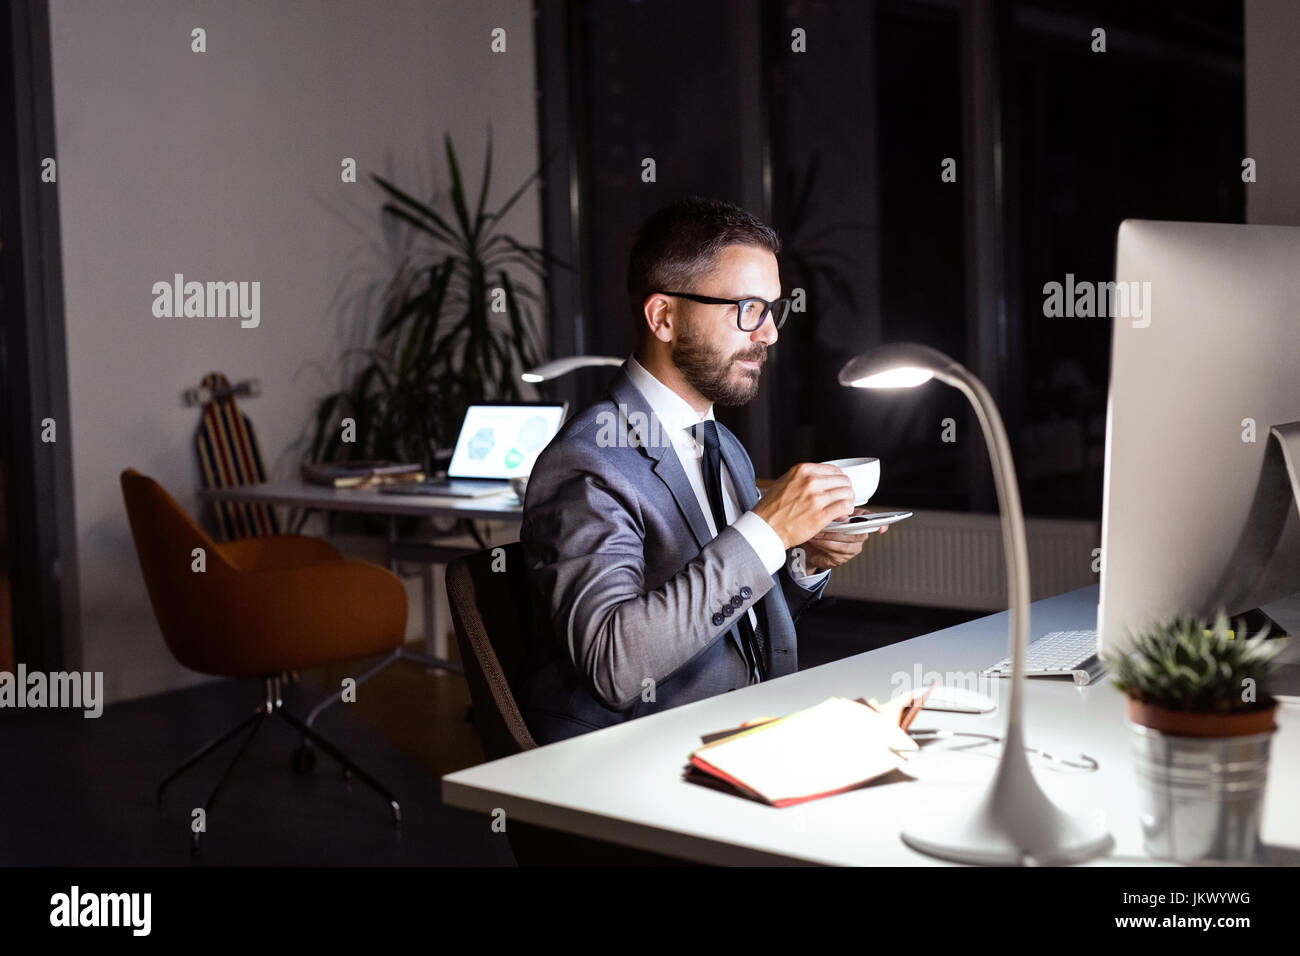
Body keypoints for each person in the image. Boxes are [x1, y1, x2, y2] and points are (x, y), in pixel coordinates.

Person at [519, 196, 882, 744]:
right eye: (747, 309)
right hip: (640, 757)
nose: (769, 334)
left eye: (772, 310)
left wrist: (801, 556)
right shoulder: (589, 461)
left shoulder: (721, 444)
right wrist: (767, 532)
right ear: (664, 316)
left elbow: (738, 617)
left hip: (747, 731)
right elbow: (614, 664)